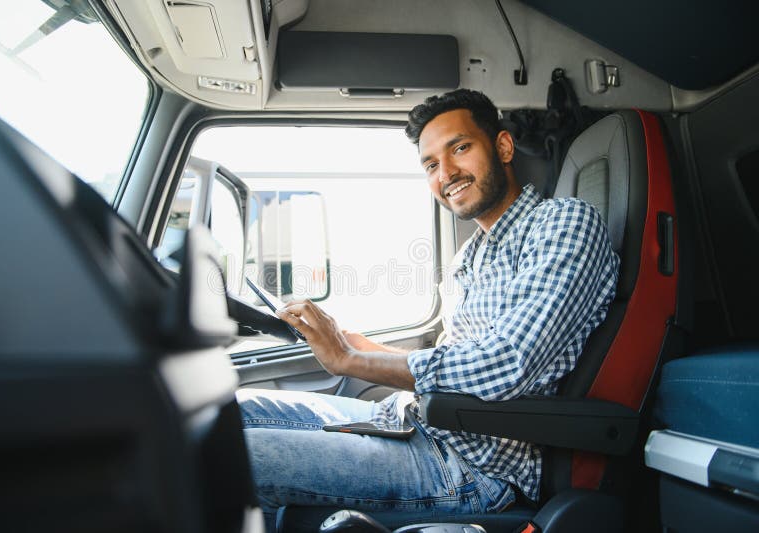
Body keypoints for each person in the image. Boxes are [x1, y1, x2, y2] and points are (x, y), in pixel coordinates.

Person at [237, 89, 620, 528]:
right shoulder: (470, 256)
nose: (447, 173)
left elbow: (506, 363)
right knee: (235, 411)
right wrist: (354, 344)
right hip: (413, 421)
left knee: (238, 458)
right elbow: (453, 358)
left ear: (503, 147)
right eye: (431, 164)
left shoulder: (564, 222)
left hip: (474, 467)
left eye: (460, 148)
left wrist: (350, 361)